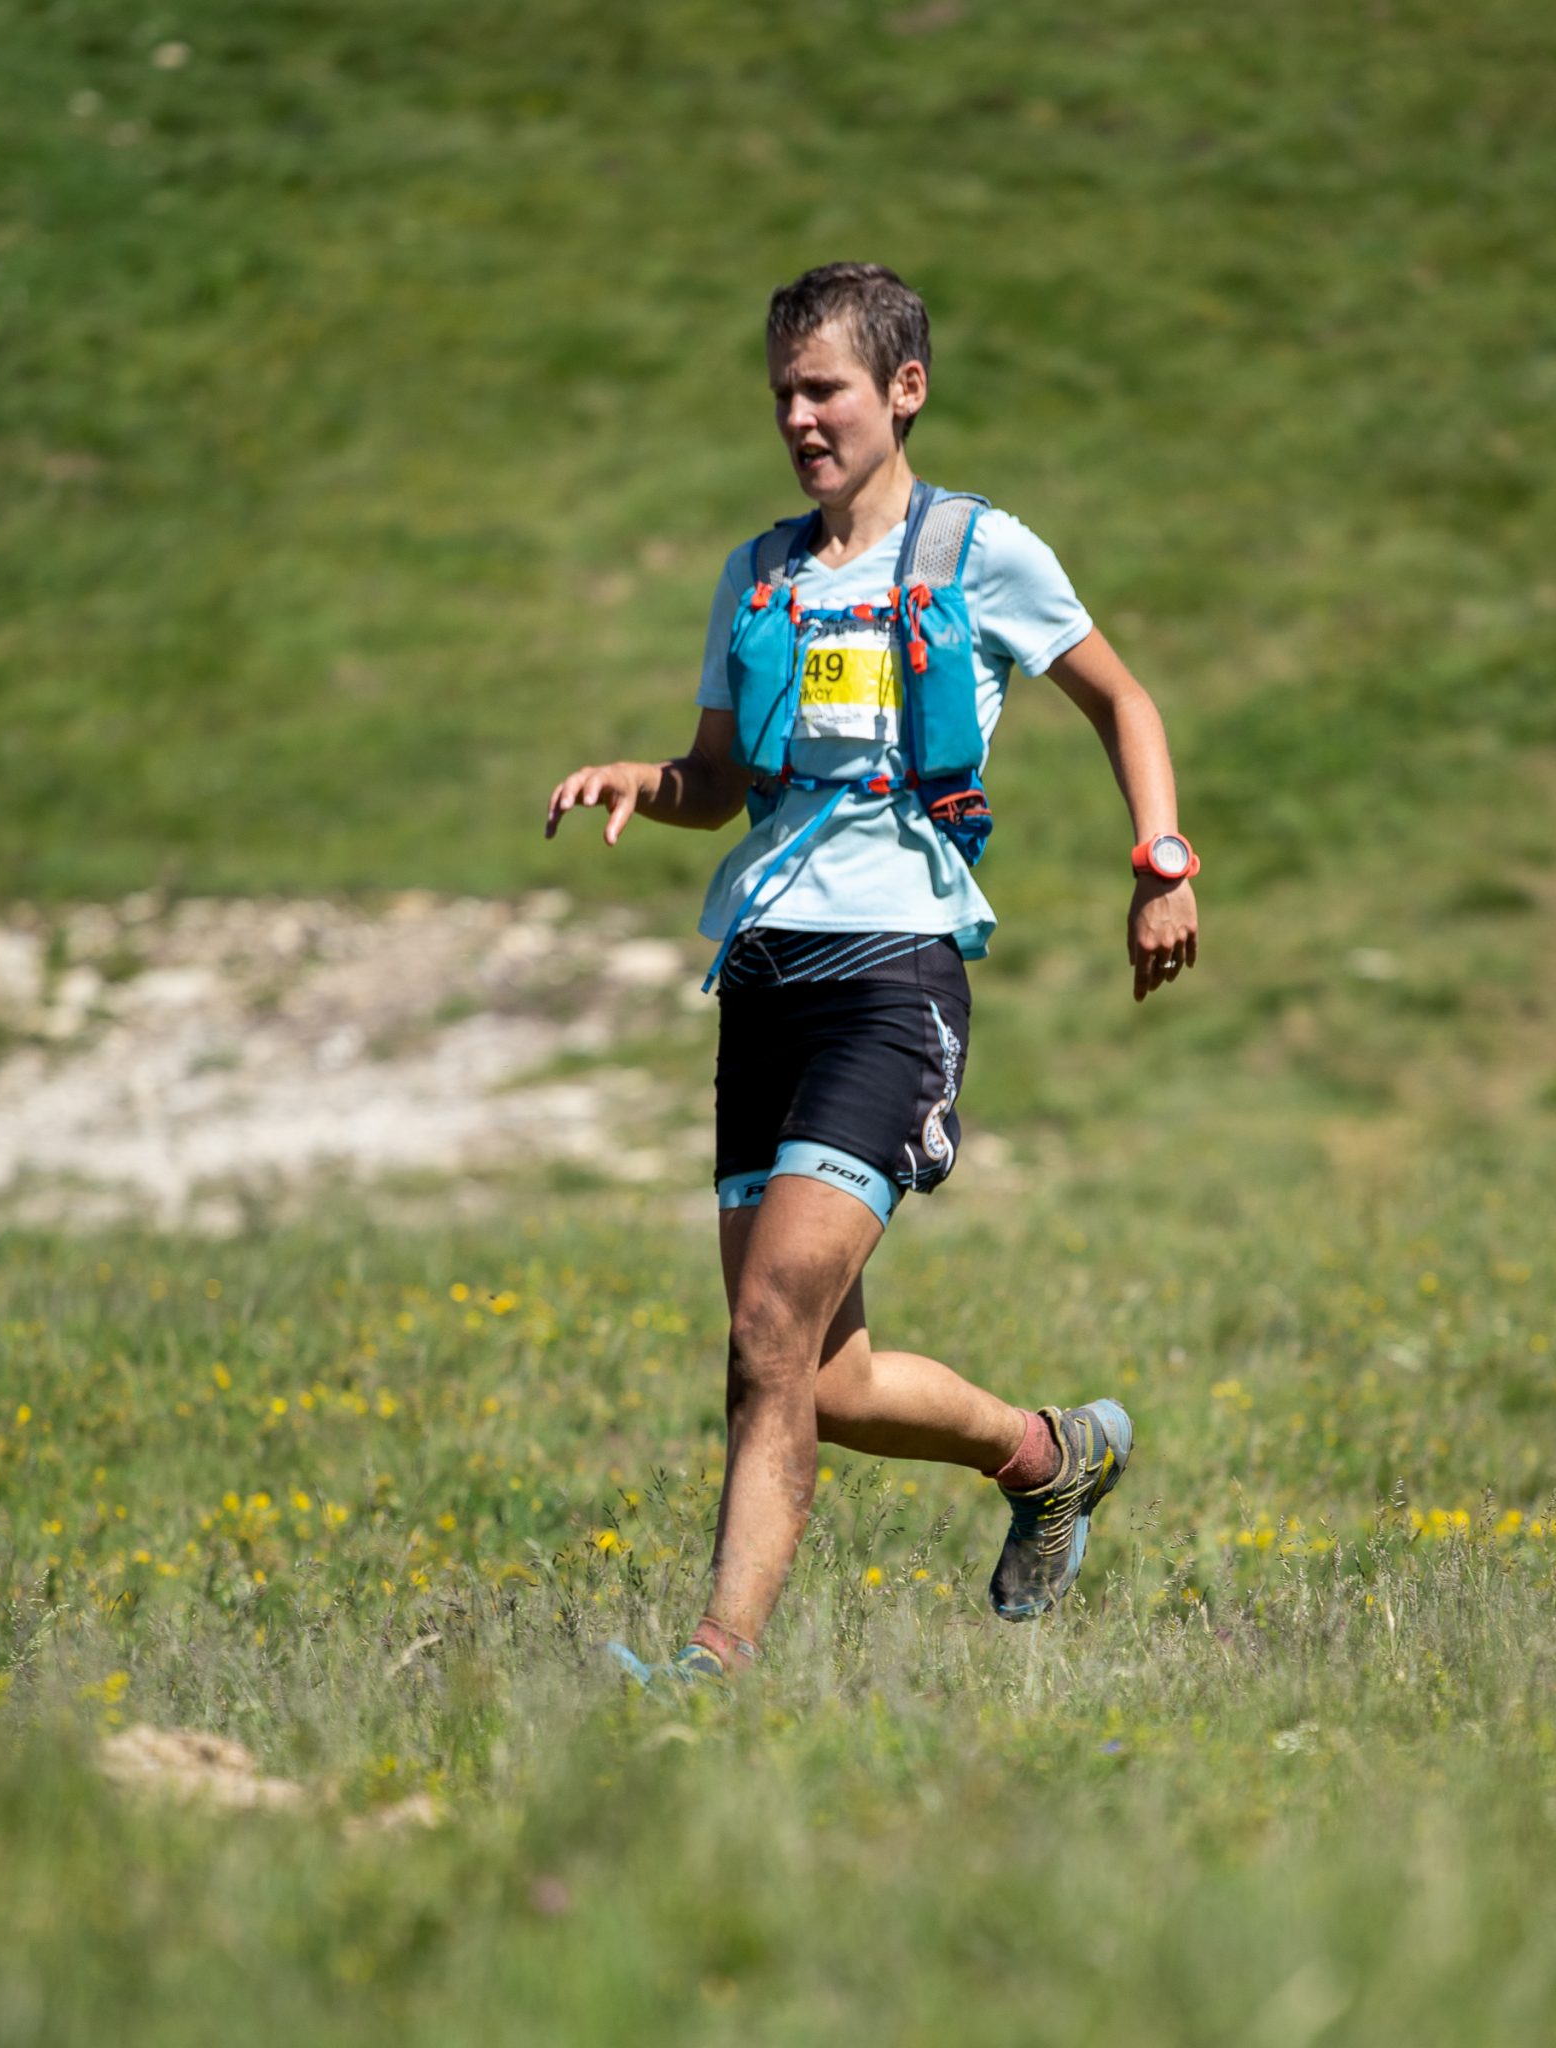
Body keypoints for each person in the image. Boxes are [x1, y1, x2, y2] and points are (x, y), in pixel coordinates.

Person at [546, 262, 1199, 1681]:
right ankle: (1051, 1458)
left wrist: (1163, 860)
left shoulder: (983, 554)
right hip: (764, 974)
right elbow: (719, 782)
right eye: (782, 389)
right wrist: (640, 782)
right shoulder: (759, 573)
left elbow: (1123, 699)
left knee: (767, 1328)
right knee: (815, 1377)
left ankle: (712, 1669)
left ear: (903, 391)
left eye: (824, 386)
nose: (798, 414)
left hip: (895, 973)